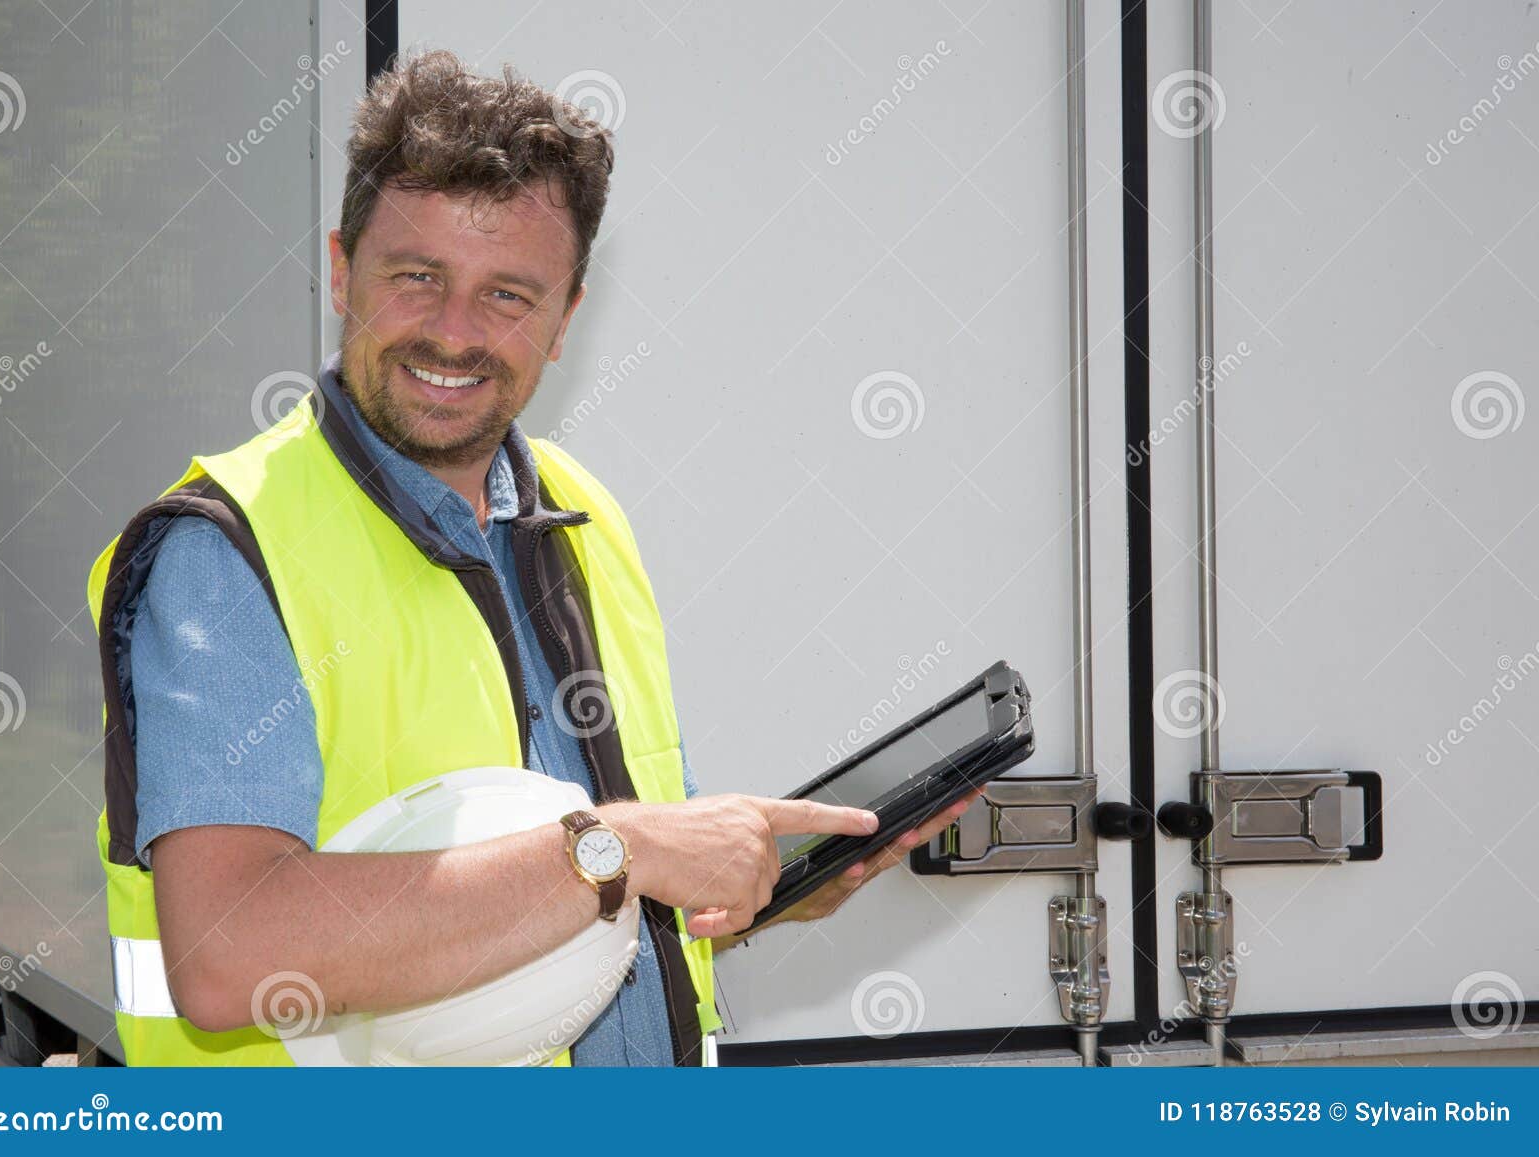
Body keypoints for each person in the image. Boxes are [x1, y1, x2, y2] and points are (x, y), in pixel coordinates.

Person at [88, 49, 979, 1067]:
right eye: (416, 277)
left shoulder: (579, 510)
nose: (455, 333)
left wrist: (744, 876)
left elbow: (567, 902)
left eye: (509, 295)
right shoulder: (225, 548)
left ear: (564, 320)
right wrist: (627, 848)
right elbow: (228, 954)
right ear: (341, 271)